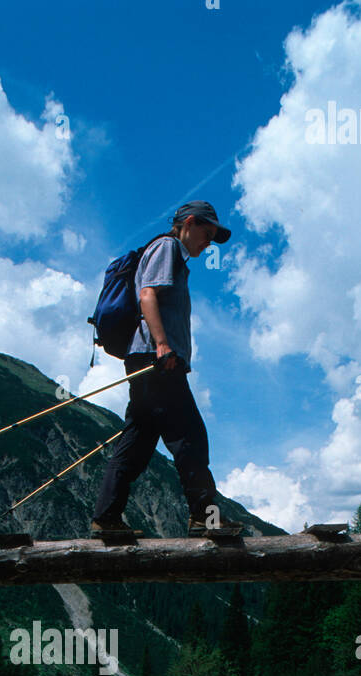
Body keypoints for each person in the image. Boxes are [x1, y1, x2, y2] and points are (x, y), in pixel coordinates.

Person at [91, 200, 233, 539]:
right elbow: (147, 294)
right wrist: (162, 344)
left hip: (149, 362)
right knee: (191, 437)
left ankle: (105, 518)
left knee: (137, 444)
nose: (208, 242)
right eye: (207, 233)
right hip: (158, 363)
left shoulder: (170, 253)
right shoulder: (167, 247)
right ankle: (205, 518)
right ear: (189, 223)